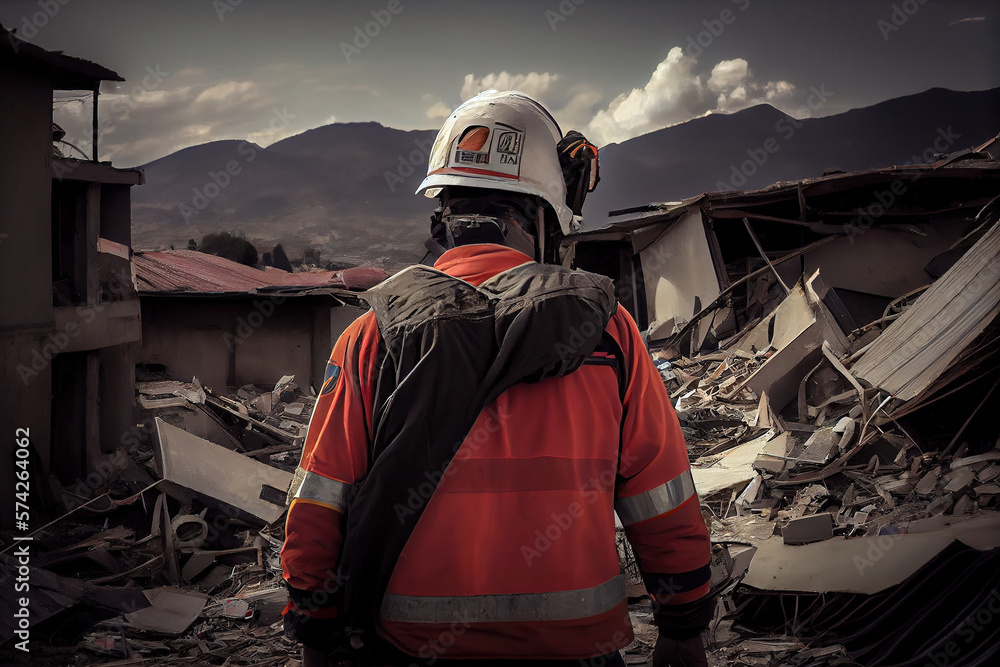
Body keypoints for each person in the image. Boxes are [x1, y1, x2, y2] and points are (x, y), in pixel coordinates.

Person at [280, 90, 713, 666]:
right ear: (542, 215)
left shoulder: (371, 338)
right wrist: (683, 627)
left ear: (444, 216)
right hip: (575, 650)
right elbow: (662, 500)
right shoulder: (610, 335)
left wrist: (316, 634)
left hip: (410, 650)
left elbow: (318, 506)